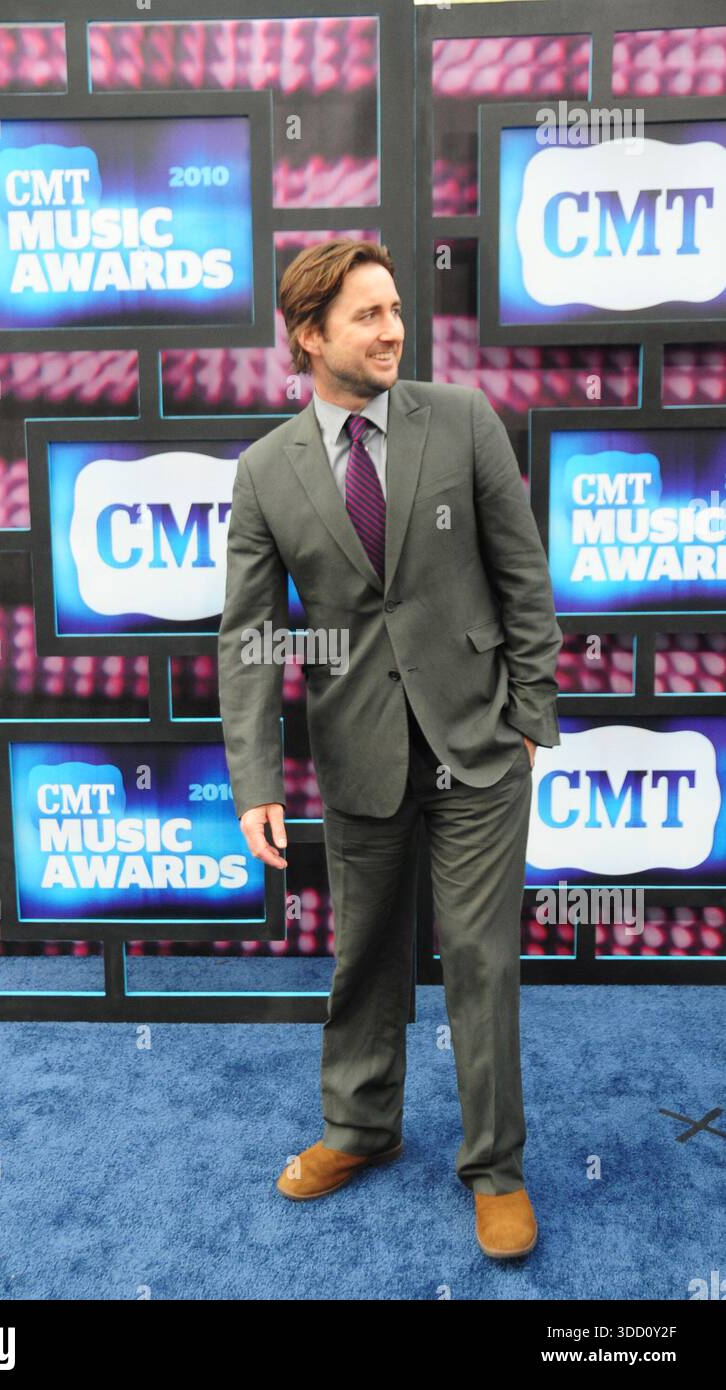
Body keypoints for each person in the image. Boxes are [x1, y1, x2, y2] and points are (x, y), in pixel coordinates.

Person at [217, 238, 562, 1259]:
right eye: (366, 315)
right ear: (309, 334)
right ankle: (360, 1128)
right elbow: (246, 639)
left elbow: (523, 579)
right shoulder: (265, 472)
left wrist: (527, 720)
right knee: (363, 957)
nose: (393, 330)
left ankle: (494, 1165)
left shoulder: (459, 421)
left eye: (396, 310)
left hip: (478, 746)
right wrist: (254, 779)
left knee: (480, 957)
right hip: (359, 754)